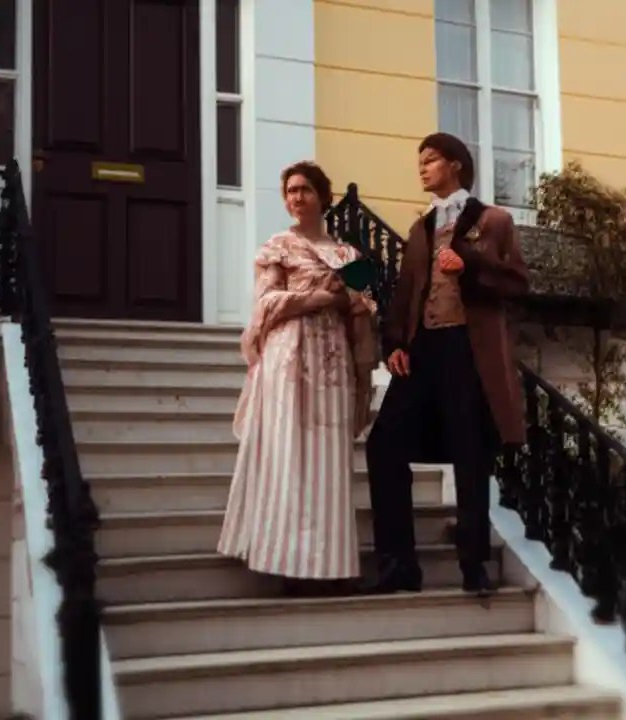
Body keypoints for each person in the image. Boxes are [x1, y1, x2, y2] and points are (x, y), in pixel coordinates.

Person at [363, 133, 529, 597]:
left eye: (430, 160)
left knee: (470, 453)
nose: (422, 168)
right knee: (383, 445)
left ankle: (474, 566)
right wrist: (394, 342)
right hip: (423, 350)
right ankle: (399, 564)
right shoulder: (420, 228)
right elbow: (405, 291)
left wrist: (470, 264)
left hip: (467, 349)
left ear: (455, 165)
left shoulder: (494, 220)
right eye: (420, 161)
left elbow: (517, 281)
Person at [217, 161, 378, 597]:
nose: (296, 197)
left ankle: (331, 565)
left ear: (323, 197)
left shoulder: (349, 254)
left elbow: (368, 308)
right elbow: (264, 303)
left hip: (332, 361)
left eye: (305, 189)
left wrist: (355, 303)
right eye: (290, 190)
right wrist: (317, 297)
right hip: (288, 359)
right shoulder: (277, 246)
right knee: (290, 454)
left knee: (328, 459)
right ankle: (287, 562)